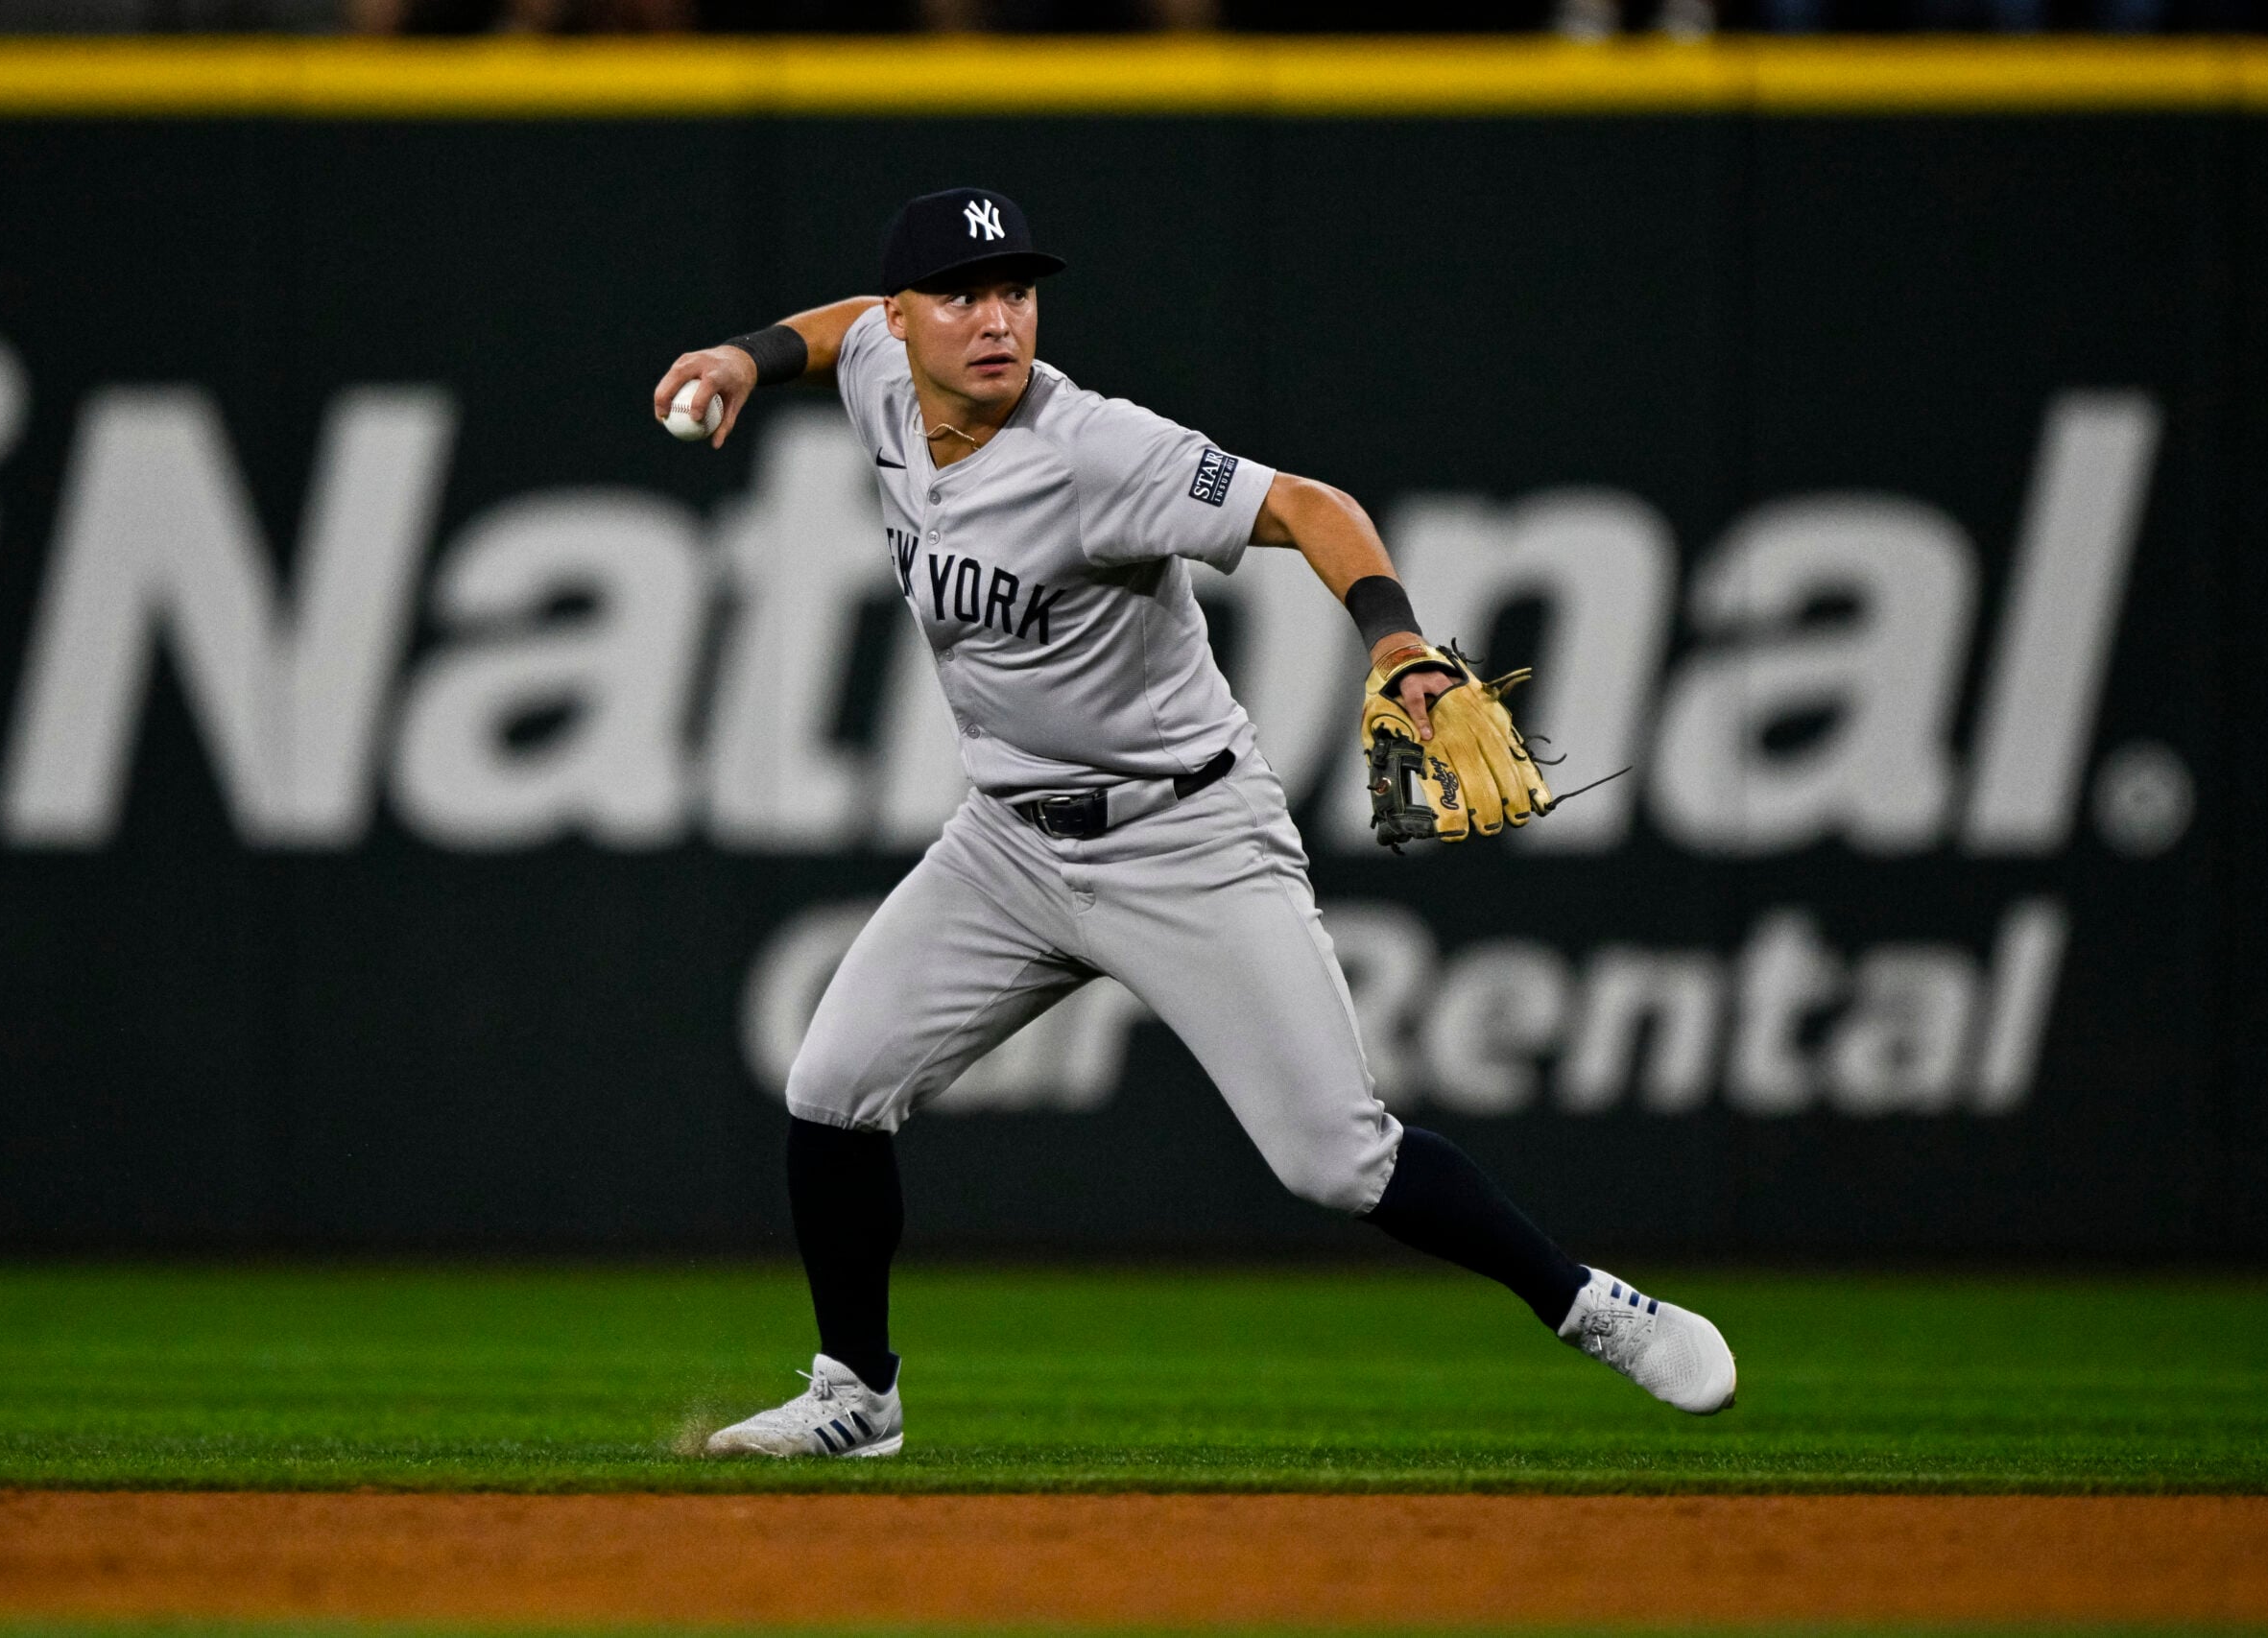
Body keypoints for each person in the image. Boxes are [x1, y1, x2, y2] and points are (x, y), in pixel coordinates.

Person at [650, 187, 1735, 1460]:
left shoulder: (1099, 450)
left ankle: (1590, 1306)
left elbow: (1309, 507)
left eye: (1017, 292)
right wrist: (746, 355)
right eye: (963, 295)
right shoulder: (888, 369)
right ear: (909, 317)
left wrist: (1398, 642)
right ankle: (858, 1397)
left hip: (1185, 838)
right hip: (1006, 840)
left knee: (1337, 1163)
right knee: (833, 1088)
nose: (997, 320)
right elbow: (841, 333)